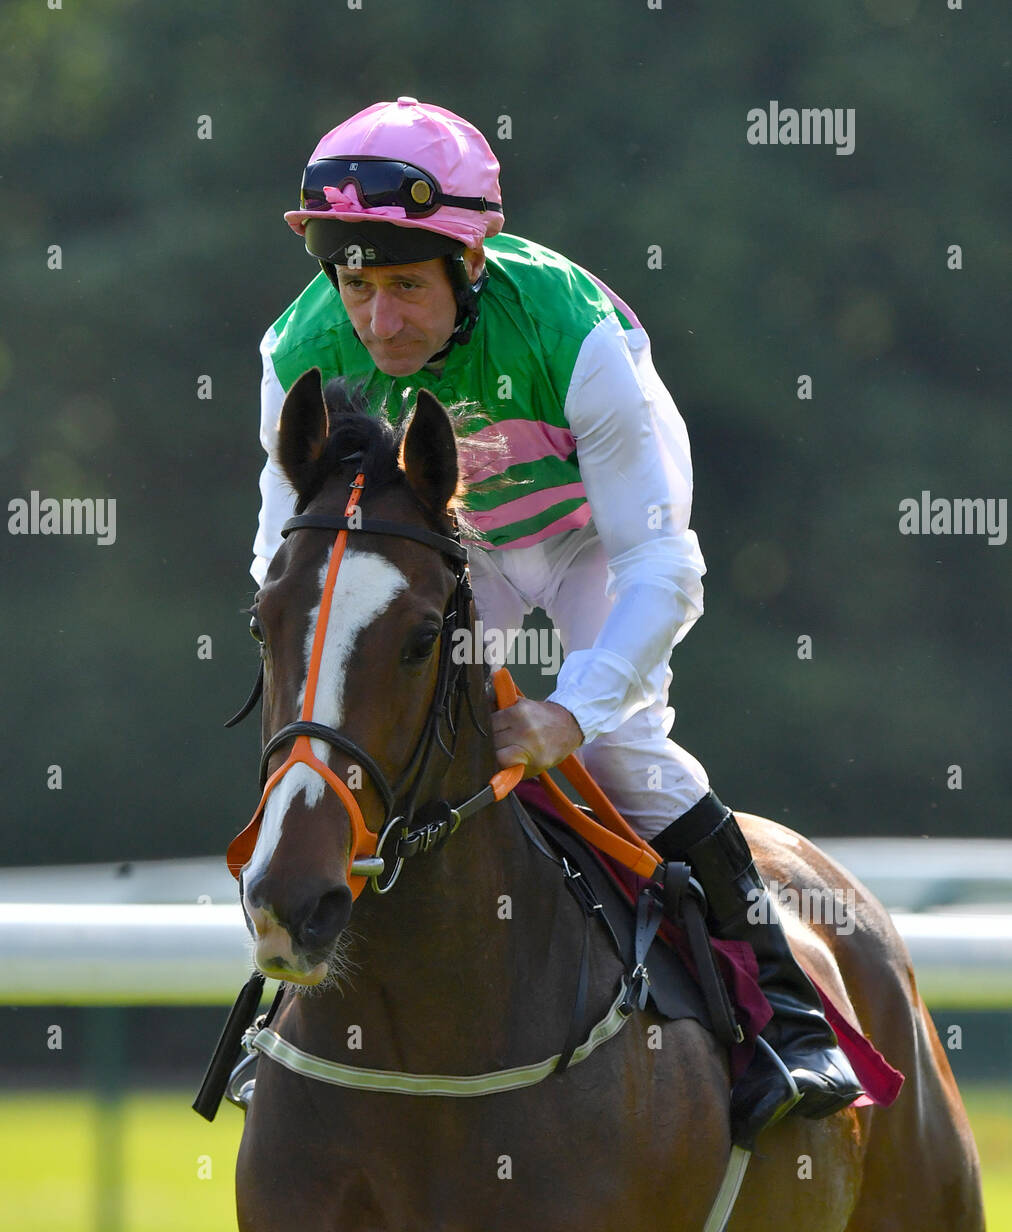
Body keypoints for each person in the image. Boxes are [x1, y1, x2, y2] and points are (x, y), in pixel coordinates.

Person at [251, 96, 861, 1124]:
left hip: (596, 537)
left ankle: (787, 1021)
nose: (377, 320)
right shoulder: (294, 352)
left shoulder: (574, 337)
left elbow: (665, 566)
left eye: (405, 286)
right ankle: (287, 1010)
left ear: (470, 266)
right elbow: (282, 554)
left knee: (619, 756)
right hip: (452, 544)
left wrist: (569, 712)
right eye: (355, 285)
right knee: (379, 740)